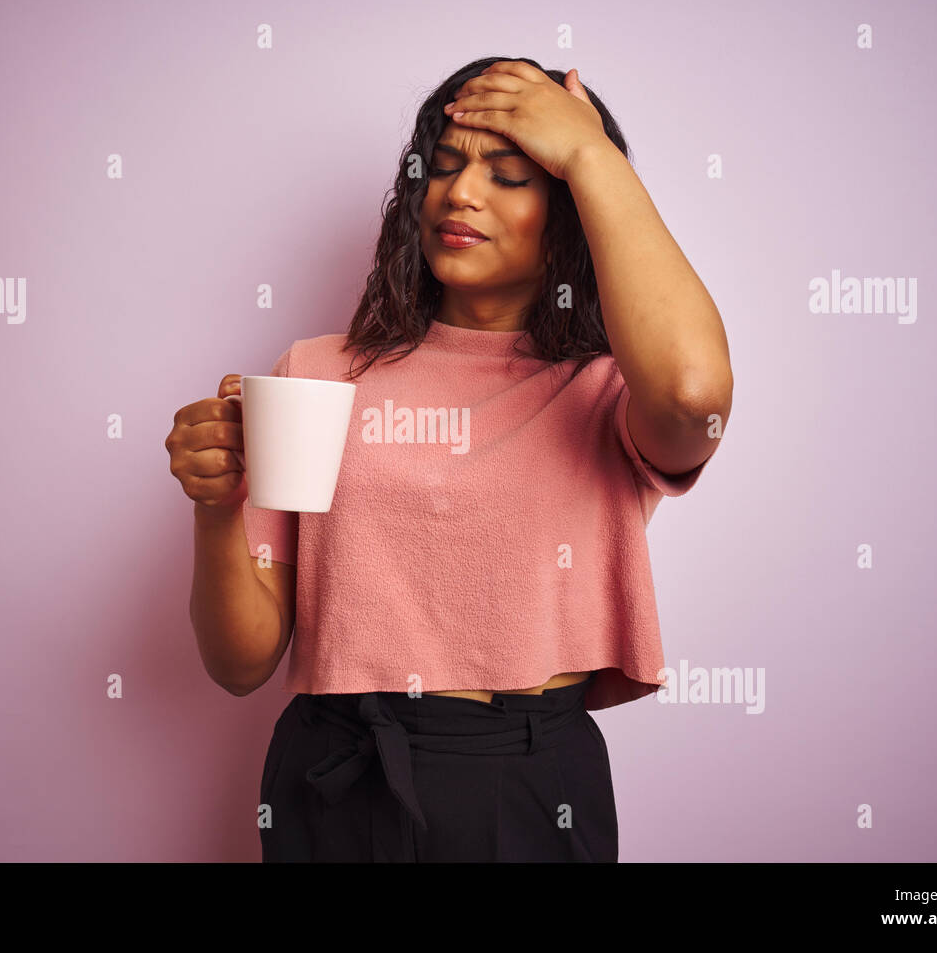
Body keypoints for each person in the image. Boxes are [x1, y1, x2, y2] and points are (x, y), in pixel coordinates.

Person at [167, 56, 733, 861]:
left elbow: (691, 391)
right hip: (333, 773)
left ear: (571, 211)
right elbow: (240, 660)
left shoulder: (606, 395)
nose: (459, 194)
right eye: (441, 167)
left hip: (528, 784)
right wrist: (216, 507)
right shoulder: (318, 374)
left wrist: (589, 152)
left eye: (509, 176)